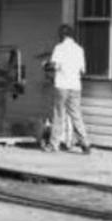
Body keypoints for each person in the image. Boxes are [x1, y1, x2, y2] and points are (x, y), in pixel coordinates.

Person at [43, 24, 91, 153]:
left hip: (62, 85)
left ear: (62, 35)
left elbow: (53, 66)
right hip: (75, 86)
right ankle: (85, 143)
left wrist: (45, 64)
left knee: (59, 114)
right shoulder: (79, 49)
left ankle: (54, 144)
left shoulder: (59, 48)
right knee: (76, 115)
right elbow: (82, 70)